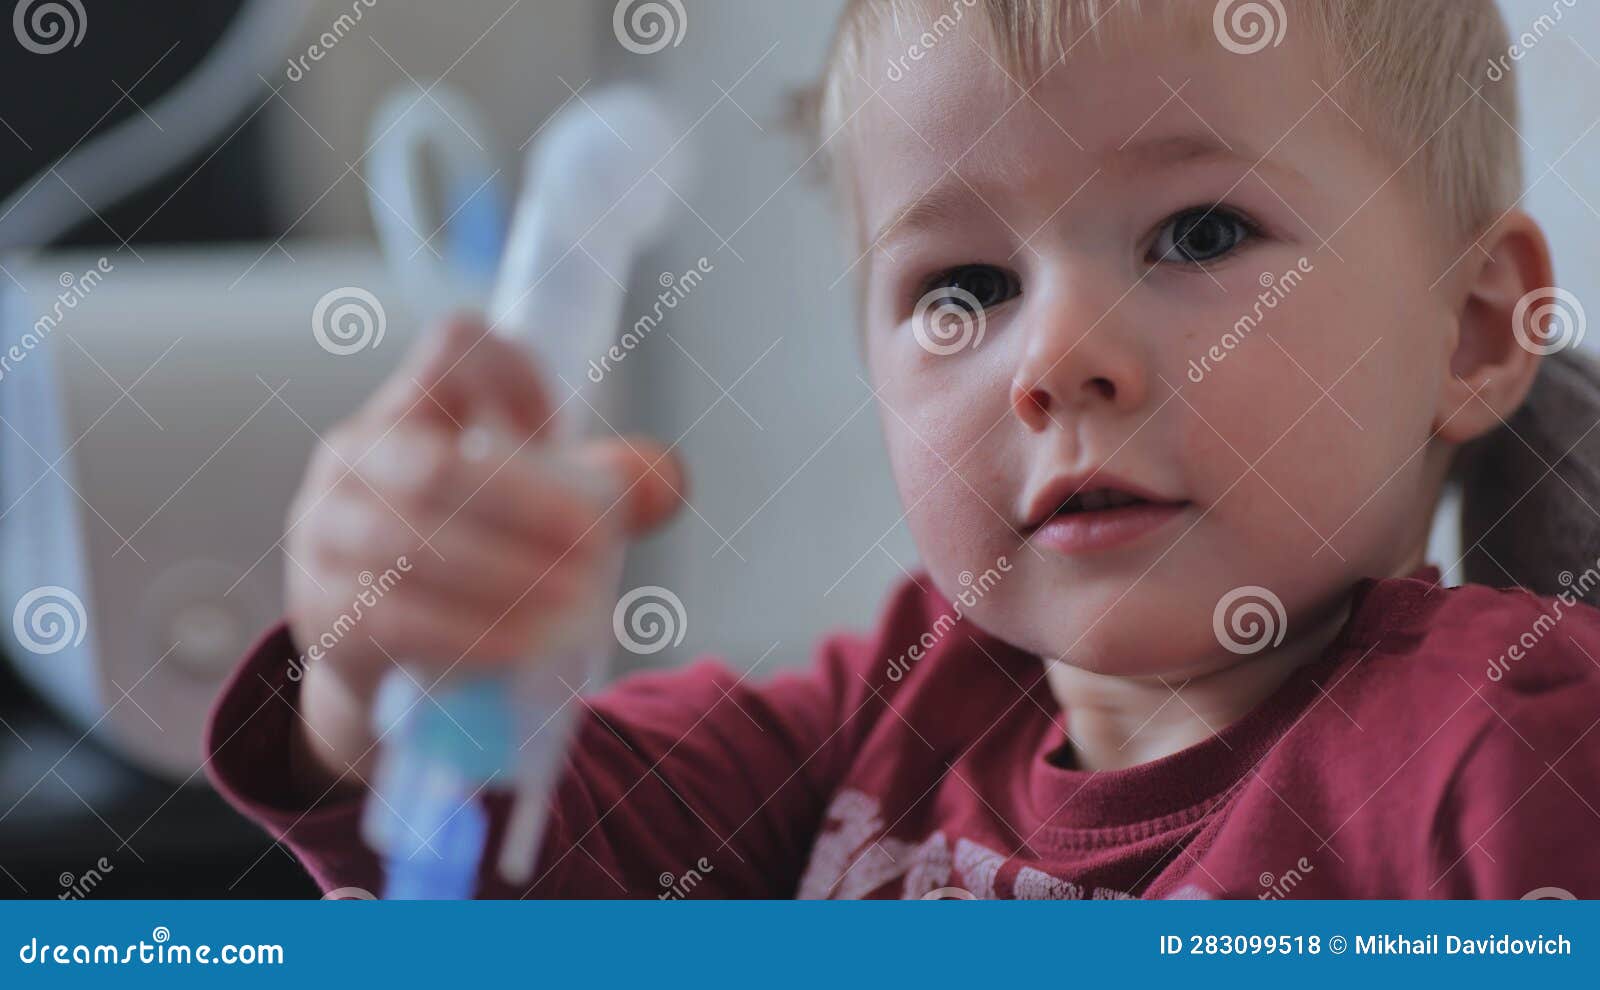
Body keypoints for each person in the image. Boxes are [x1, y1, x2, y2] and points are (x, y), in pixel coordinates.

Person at [207, 0, 1600, 898]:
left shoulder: (1517, 754)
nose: (1055, 359)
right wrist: (390, 666)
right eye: (964, 289)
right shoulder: (863, 725)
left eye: (1201, 233)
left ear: (1472, 330)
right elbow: (475, 876)